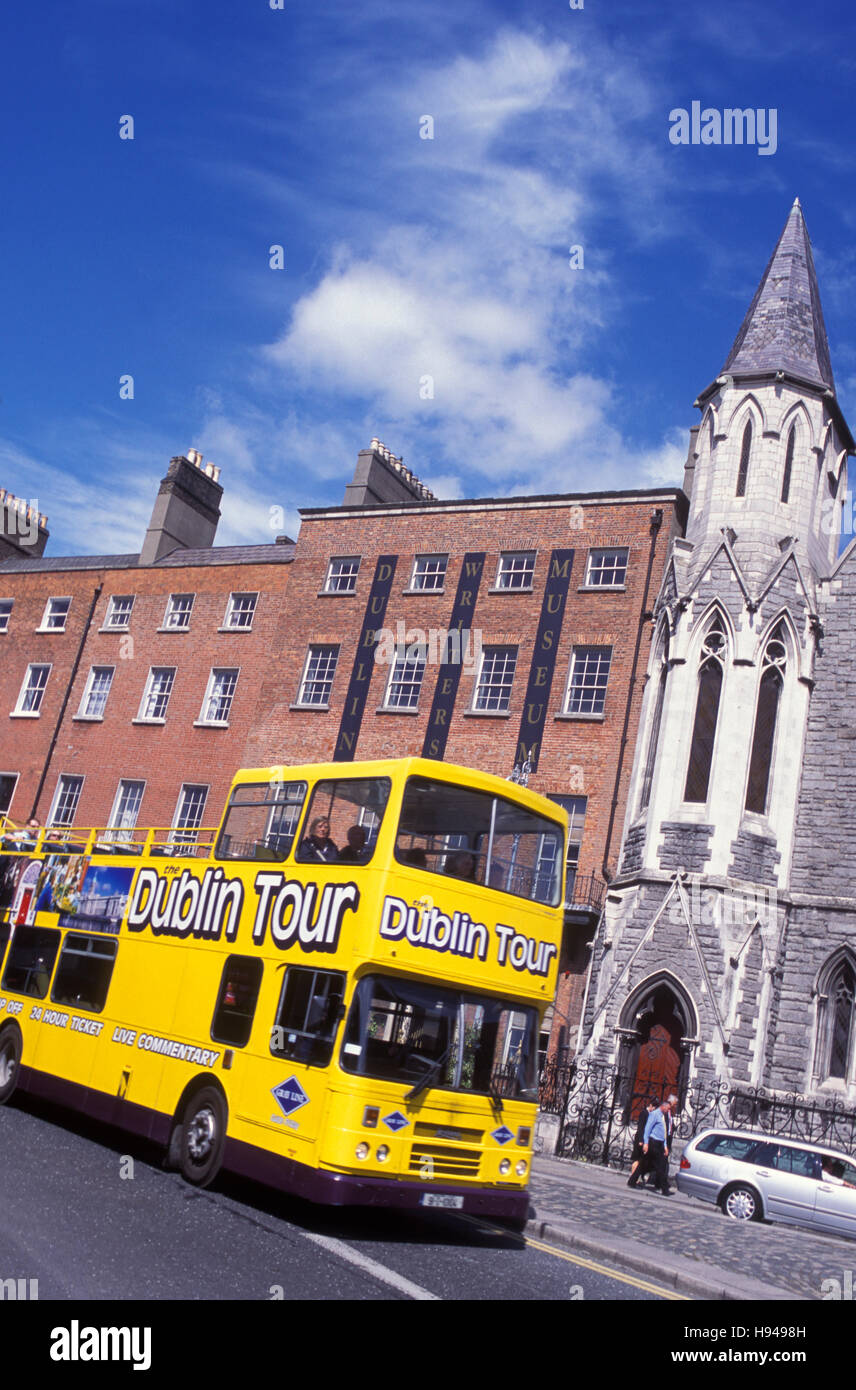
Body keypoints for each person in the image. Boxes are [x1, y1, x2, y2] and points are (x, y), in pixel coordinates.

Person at [638, 1099, 674, 1196]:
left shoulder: (663, 1116)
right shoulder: (654, 1114)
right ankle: (664, 1189)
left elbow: (664, 1133)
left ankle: (632, 1181)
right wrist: (645, 1142)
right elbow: (647, 1129)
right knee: (660, 1166)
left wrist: (665, 1146)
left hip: (660, 1143)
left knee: (645, 1164)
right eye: (668, 1108)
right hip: (653, 1142)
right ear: (663, 1106)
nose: (668, 1111)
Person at [627, 1099, 656, 1187]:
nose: (654, 1109)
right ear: (650, 1105)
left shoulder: (650, 1114)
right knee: (637, 1159)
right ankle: (633, 1177)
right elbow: (641, 1127)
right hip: (640, 1140)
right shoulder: (644, 1113)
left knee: (640, 1160)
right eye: (654, 1107)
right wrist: (641, 1140)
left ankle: (636, 1178)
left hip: (644, 1140)